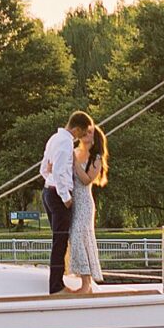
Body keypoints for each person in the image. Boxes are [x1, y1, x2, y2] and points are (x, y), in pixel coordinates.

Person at [39, 111, 95, 295]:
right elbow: (59, 173)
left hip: (48, 191)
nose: (82, 136)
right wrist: (67, 199)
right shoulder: (64, 142)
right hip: (58, 196)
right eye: (82, 132)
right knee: (60, 241)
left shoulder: (53, 139)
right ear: (76, 129)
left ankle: (57, 283)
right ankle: (56, 287)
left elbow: (44, 170)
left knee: (59, 240)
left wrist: (51, 181)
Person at [63, 123, 110, 293]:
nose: (85, 134)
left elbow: (87, 179)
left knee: (79, 237)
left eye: (89, 132)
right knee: (72, 237)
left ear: (94, 137)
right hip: (71, 201)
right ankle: (83, 280)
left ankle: (86, 282)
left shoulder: (95, 157)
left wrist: (75, 164)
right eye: (85, 131)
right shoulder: (74, 151)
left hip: (84, 203)